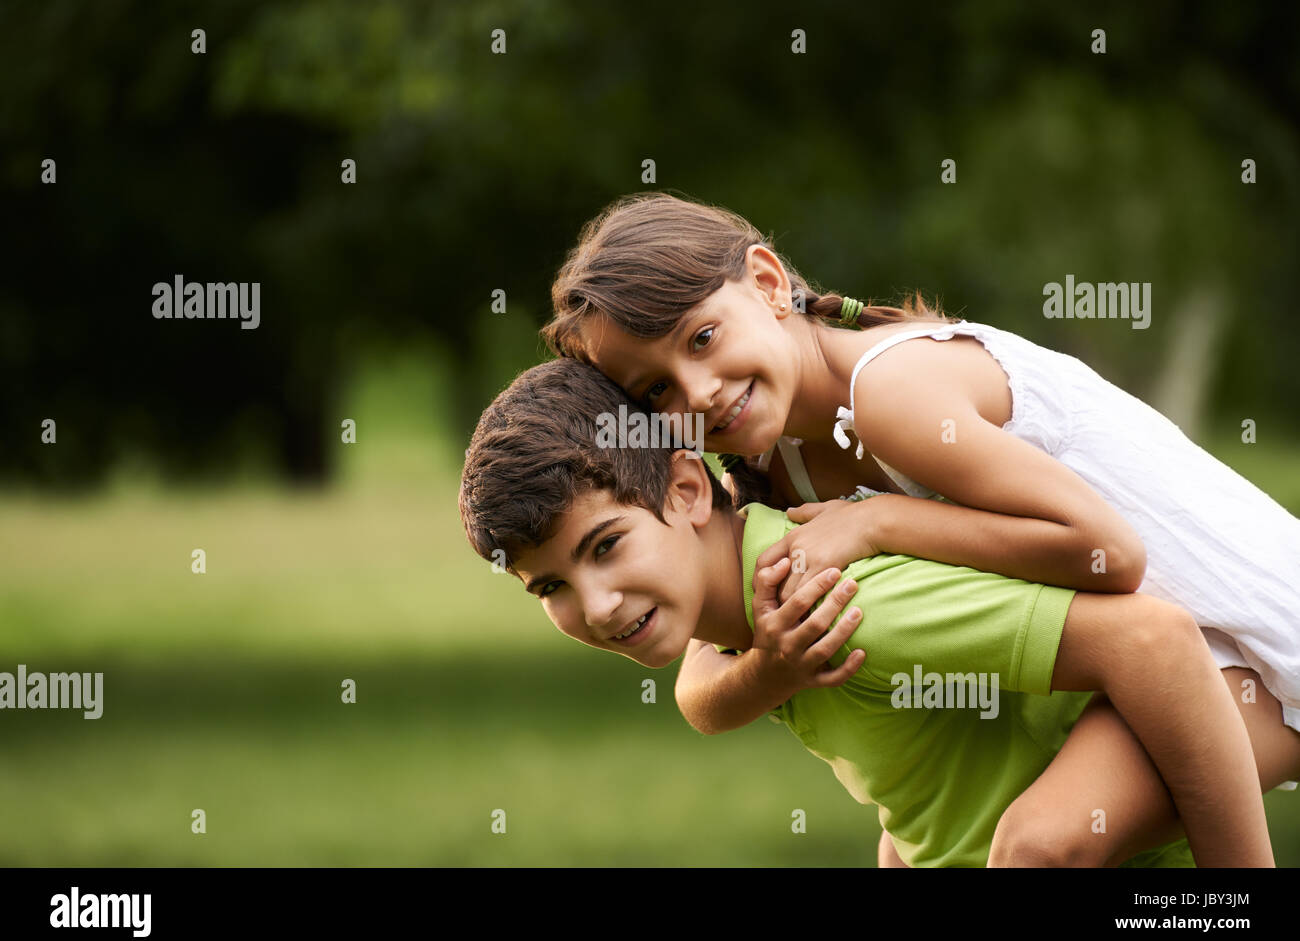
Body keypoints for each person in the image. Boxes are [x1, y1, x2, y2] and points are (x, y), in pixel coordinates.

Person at [540, 190, 1300, 864]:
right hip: (1155, 664)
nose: (699, 392)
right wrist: (772, 667)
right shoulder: (780, 466)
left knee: (1040, 840)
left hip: (1255, 651)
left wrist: (879, 522)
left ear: (768, 283)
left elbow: (1110, 555)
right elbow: (701, 691)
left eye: (702, 338)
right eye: (657, 389)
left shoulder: (890, 393)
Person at [458, 358, 1299, 866]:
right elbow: (919, 789)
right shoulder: (761, 631)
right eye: (550, 587)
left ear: (686, 488)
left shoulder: (836, 597)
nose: (597, 605)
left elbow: (1151, 636)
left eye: (605, 546)